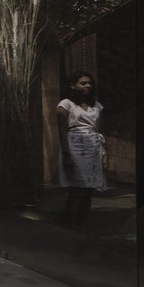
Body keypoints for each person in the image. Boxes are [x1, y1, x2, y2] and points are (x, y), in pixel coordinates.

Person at [56, 70, 106, 228]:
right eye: (83, 83)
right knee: (77, 189)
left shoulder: (96, 106)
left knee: (88, 190)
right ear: (73, 85)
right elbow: (62, 130)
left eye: (90, 83)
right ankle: (71, 226)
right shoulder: (66, 104)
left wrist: (104, 153)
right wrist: (66, 154)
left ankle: (82, 225)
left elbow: (99, 129)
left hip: (92, 149)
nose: (87, 86)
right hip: (75, 148)